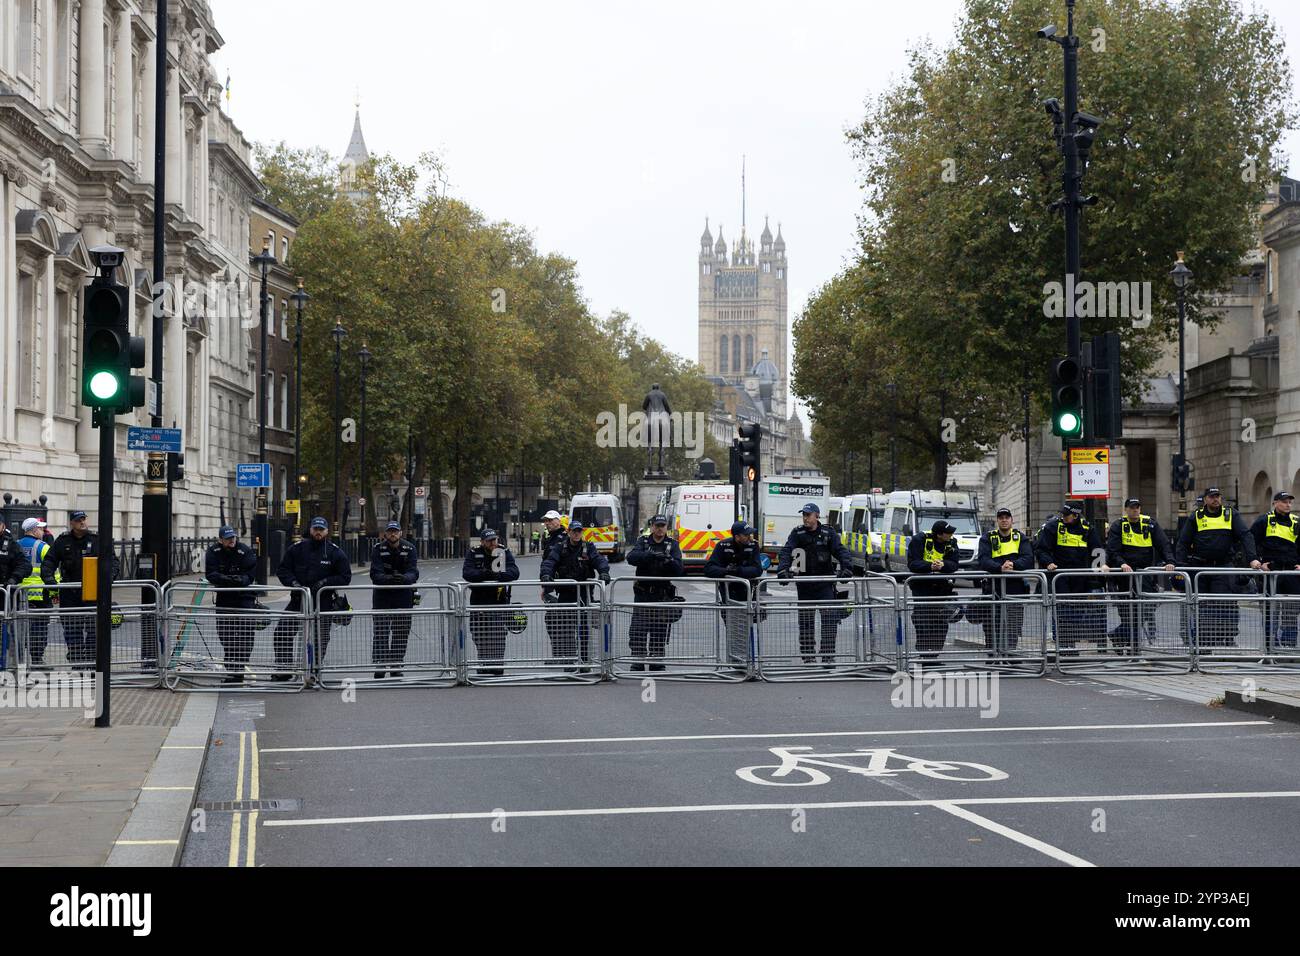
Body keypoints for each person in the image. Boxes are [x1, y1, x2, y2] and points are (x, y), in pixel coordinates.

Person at [1175, 487, 1259, 648]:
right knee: (1203, 606)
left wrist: (1253, 559)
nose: (1215, 499)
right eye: (1212, 497)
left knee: (1224, 604)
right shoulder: (1196, 517)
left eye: (1218, 496)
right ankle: (1205, 642)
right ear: (1205, 499)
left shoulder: (1231, 514)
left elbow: (1246, 536)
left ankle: (1226, 638)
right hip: (1201, 568)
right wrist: (1181, 566)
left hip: (1222, 567)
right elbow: (1183, 543)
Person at [776, 503, 853, 665]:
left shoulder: (828, 533)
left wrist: (847, 568)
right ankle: (808, 655)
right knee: (805, 621)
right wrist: (783, 570)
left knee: (830, 620)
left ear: (817, 516)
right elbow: (787, 551)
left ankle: (827, 655)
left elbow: (841, 551)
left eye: (808, 515)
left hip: (825, 584)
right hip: (805, 585)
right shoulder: (798, 533)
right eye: (803, 514)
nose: (805, 518)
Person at [275, 516, 351, 678]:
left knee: (321, 637)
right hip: (299, 600)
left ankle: (315, 669)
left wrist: (325, 582)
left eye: (321, 530)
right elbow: (283, 570)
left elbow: (345, 577)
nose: (318, 532)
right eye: (315, 529)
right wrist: (293, 583)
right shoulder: (297, 549)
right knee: (282, 632)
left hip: (322, 602)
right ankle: (284, 669)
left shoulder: (334, 552)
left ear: (326, 532)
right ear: (310, 530)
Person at [42, 511, 120, 666]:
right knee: (72, 628)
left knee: (94, 628)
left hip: (93, 592)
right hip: (70, 593)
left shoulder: (98, 540)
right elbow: (49, 562)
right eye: (78, 520)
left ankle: (92, 660)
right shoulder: (62, 541)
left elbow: (113, 562)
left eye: (84, 519)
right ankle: (77, 660)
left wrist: (107, 580)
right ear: (72, 523)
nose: (82, 522)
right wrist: (50, 580)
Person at [1105, 498, 1176, 654]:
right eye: (1132, 508)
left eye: (1137, 507)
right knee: (1126, 611)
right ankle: (1132, 646)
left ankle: (1118, 636)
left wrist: (1169, 561)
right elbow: (1112, 551)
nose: (1135, 510)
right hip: (1124, 575)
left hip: (1144, 573)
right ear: (1126, 510)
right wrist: (1122, 564)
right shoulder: (1119, 525)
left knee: (1146, 607)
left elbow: (1163, 544)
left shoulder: (1150, 523)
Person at [1036, 502, 1107, 656]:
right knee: (1063, 611)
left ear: (1075, 515)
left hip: (1080, 578)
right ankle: (1064, 646)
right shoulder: (1053, 527)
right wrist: (1048, 562)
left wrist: (1102, 565)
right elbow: (1041, 548)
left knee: (1077, 613)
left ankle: (1071, 646)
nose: (1063, 517)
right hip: (1060, 577)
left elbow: (1097, 549)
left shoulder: (1088, 529)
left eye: (1066, 515)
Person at [540, 520, 609, 670]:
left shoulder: (588, 547)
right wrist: (546, 575)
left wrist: (604, 572)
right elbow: (549, 562)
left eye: (579, 531)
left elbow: (599, 560)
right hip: (566, 593)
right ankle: (570, 661)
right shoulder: (560, 547)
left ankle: (584, 662)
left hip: (584, 594)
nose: (577, 533)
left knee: (584, 629)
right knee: (566, 629)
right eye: (574, 531)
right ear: (569, 532)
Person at [625, 514, 684, 671]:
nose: (660, 529)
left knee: (659, 627)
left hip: (662, 594)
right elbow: (630, 557)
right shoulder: (643, 542)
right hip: (643, 593)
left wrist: (669, 561)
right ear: (651, 527)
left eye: (662, 526)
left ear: (666, 527)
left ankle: (656, 659)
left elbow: (679, 569)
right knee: (638, 628)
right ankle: (638, 659)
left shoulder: (672, 544)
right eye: (657, 526)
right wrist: (648, 556)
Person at [975, 508, 1036, 659]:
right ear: (997, 520)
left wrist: (1013, 565)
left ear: (1012, 520)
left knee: (1013, 623)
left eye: (1007, 517)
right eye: (1001, 517)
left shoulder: (1020, 537)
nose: (1004, 520)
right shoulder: (987, 538)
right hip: (993, 586)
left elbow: (1028, 558)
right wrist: (999, 568)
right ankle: (993, 655)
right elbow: (983, 560)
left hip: (1015, 587)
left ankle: (1010, 654)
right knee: (991, 623)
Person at [461, 529, 521, 676]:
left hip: (498, 600)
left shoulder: (503, 551)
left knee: (498, 634)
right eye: (489, 541)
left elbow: (515, 572)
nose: (493, 543)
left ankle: (497, 664)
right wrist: (484, 575)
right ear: (482, 542)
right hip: (479, 601)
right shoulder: (474, 553)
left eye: (494, 540)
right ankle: (485, 663)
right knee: (479, 634)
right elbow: (467, 573)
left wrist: (499, 576)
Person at [203, 526, 258, 683]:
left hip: (244, 597)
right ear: (221, 540)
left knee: (246, 633)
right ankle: (232, 667)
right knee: (225, 634)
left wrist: (238, 580)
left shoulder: (245, 550)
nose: (231, 540)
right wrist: (229, 580)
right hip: (225, 598)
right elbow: (211, 574)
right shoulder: (214, 552)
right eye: (228, 538)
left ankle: (238, 668)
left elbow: (250, 575)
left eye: (233, 537)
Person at [705, 520, 763, 666]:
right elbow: (709, 569)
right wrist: (726, 572)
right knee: (732, 627)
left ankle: (746, 661)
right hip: (729, 594)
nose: (750, 536)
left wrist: (738, 572)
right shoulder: (723, 546)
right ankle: (736, 661)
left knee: (746, 626)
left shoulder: (753, 545)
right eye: (746, 534)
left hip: (747, 593)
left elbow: (757, 570)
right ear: (737, 536)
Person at [370, 520, 421, 678]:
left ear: (400, 533)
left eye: (395, 531)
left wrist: (404, 579)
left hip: (403, 594)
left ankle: (396, 662)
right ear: (385, 533)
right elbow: (375, 574)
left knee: (401, 630)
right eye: (390, 531)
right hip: (383, 594)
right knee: (381, 630)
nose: (393, 534)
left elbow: (414, 572)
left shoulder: (410, 548)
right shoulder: (378, 549)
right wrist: (389, 579)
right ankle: (380, 663)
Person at [1251, 491, 1300, 651]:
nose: (1288, 505)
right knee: (1270, 610)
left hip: (1291, 573)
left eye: (1289, 502)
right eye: (1284, 501)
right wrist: (1258, 561)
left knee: (1291, 610)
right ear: (1275, 503)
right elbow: (1250, 542)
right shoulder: (1264, 521)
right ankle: (1270, 645)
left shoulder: (1296, 522)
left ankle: (1288, 645)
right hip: (1272, 572)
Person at [906, 520, 960, 662]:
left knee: (940, 621)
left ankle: (934, 655)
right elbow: (912, 563)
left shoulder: (951, 542)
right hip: (922, 587)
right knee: (922, 619)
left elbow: (954, 563)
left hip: (942, 588)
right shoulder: (919, 539)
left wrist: (943, 565)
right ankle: (925, 654)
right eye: (948, 533)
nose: (951, 535)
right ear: (940, 534)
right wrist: (930, 566)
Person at [17, 518, 54, 665]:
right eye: (40, 528)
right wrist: (54, 593)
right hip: (41, 595)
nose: (43, 531)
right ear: (33, 530)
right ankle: (37, 660)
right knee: (39, 629)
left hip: (18, 595)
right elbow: (53, 571)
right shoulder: (43, 547)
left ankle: (18, 660)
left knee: (18, 627)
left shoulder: (16, 545)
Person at [0, 516, 32, 669]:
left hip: (6, 597)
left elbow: (25, 565)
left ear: (3, 526)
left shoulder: (11, 545)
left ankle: (15, 665)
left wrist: (13, 579)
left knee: (13, 632)